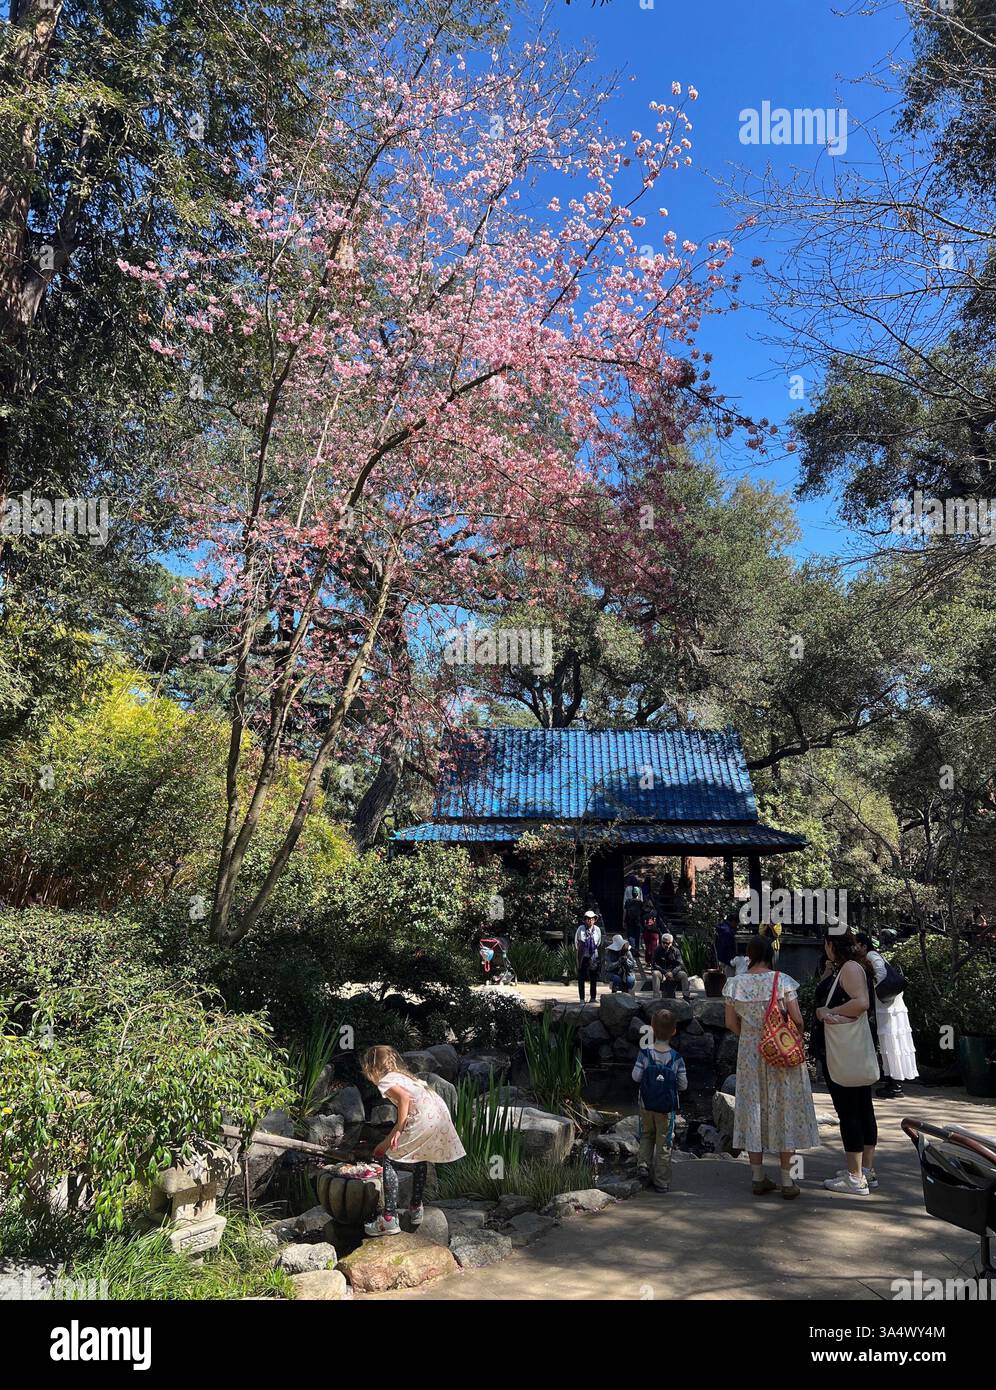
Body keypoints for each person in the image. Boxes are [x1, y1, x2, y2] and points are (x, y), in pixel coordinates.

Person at [723, 935, 820, 1199]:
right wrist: (783, 1036)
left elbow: (731, 1023)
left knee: (753, 1107)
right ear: (770, 954)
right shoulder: (783, 981)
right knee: (783, 1107)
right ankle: (788, 1181)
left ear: (750, 954)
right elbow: (797, 1020)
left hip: (750, 1052)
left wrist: (753, 1034)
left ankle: (757, 1177)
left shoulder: (734, 984)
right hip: (780, 1051)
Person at [361, 1046, 466, 1237]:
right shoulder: (406, 1076)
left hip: (421, 1117)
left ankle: (389, 1219)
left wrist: (396, 1132)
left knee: (389, 1160)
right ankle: (416, 1207)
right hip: (438, 1115)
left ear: (372, 1068)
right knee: (419, 1157)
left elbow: (403, 1098)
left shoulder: (385, 1081)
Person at [814, 930, 879, 1196]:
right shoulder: (849, 967)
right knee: (862, 1107)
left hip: (843, 1050)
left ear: (831, 945)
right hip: (850, 1049)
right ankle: (865, 1170)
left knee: (849, 1111)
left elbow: (860, 1003)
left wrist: (829, 1012)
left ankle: (855, 1177)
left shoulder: (851, 968)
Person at [854, 931, 918, 1099]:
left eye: (857, 944)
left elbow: (881, 975)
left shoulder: (871, 955)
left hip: (887, 1007)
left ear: (863, 945)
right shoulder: (872, 955)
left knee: (891, 1043)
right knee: (890, 1043)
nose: (855, 948)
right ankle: (893, 1080)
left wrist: (875, 993)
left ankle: (895, 1084)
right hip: (889, 1006)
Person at [632, 1009, 688, 1193]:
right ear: (674, 1031)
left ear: (652, 1030)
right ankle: (662, 1182)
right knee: (664, 1142)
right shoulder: (677, 1058)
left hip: (646, 1105)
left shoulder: (645, 1054)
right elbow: (683, 1085)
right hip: (666, 1109)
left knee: (647, 1134)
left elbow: (636, 1077)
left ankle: (643, 1165)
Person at [651, 932, 690, 1001]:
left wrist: (672, 973)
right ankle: (656, 998)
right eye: (663, 942)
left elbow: (680, 964)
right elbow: (654, 964)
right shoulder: (657, 950)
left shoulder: (676, 951)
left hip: (673, 973)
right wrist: (665, 972)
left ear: (671, 943)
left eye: (667, 943)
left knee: (683, 975)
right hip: (662, 972)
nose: (665, 944)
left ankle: (686, 996)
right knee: (655, 973)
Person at [575, 910, 602, 1004]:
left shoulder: (597, 929)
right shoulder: (580, 929)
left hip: (593, 955)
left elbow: (598, 942)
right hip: (583, 956)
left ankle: (593, 997)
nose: (590, 921)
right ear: (585, 920)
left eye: (592, 919)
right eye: (588, 919)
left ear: (594, 920)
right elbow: (577, 942)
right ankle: (581, 998)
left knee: (593, 977)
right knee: (581, 977)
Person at [715, 911, 737, 976]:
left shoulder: (722, 928)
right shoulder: (727, 932)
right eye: (736, 923)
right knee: (729, 980)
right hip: (727, 961)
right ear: (733, 921)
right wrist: (731, 962)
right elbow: (727, 948)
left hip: (721, 959)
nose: (737, 925)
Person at [623, 885, 644, 949]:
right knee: (637, 935)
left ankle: (631, 948)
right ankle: (637, 949)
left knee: (630, 935)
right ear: (638, 893)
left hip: (629, 921)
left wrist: (623, 920)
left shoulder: (628, 901)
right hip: (637, 921)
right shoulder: (640, 902)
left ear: (632, 893)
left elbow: (625, 912)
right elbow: (642, 913)